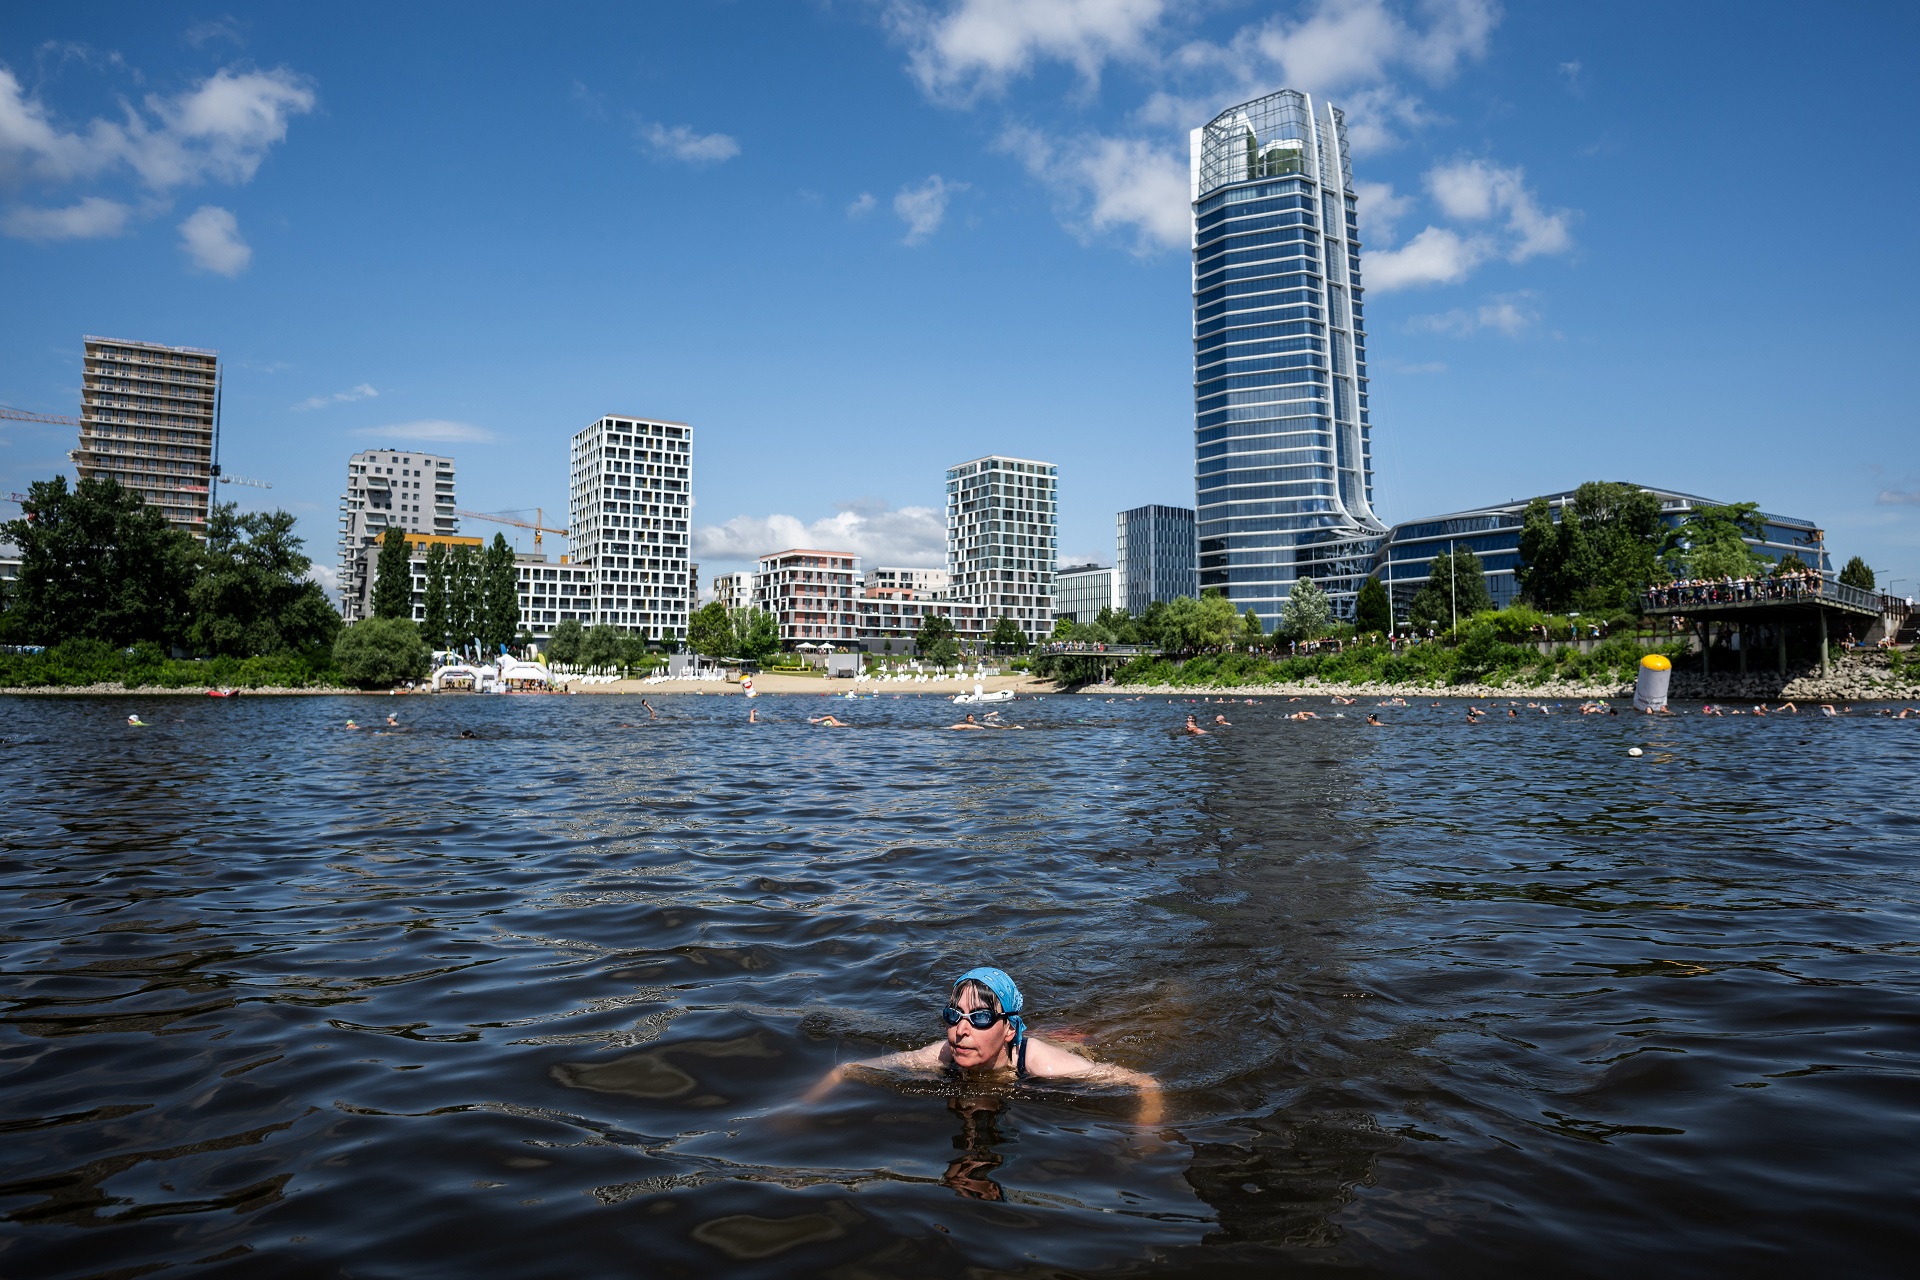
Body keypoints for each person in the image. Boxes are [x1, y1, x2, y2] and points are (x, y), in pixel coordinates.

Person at [803, 968, 1161, 1124]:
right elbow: (846, 1069)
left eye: (980, 1019)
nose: (961, 1031)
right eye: (953, 1015)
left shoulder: (1042, 1063)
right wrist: (799, 1113)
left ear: (1007, 1029)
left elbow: (1144, 1081)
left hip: (1054, 1047)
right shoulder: (940, 1054)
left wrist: (1147, 1132)